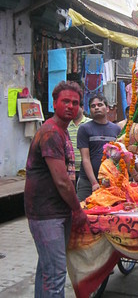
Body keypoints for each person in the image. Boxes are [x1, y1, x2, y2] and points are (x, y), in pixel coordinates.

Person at [24, 81, 88, 297]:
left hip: (56, 212)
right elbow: (62, 180)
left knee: (47, 270)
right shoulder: (51, 132)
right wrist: (78, 210)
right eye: (65, 101)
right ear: (54, 103)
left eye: (75, 102)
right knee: (54, 275)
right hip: (46, 214)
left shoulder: (62, 131)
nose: (70, 106)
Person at [76, 93, 121, 201]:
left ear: (107, 108)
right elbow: (85, 159)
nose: (96, 108)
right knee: (83, 212)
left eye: (100, 105)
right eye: (93, 106)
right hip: (88, 182)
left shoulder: (116, 130)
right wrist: (94, 182)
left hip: (110, 182)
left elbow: (120, 157)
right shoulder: (84, 129)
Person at [67, 100, 91, 183]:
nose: (73, 109)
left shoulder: (90, 124)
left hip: (87, 170)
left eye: (76, 106)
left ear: (82, 108)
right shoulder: (66, 125)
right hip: (70, 170)